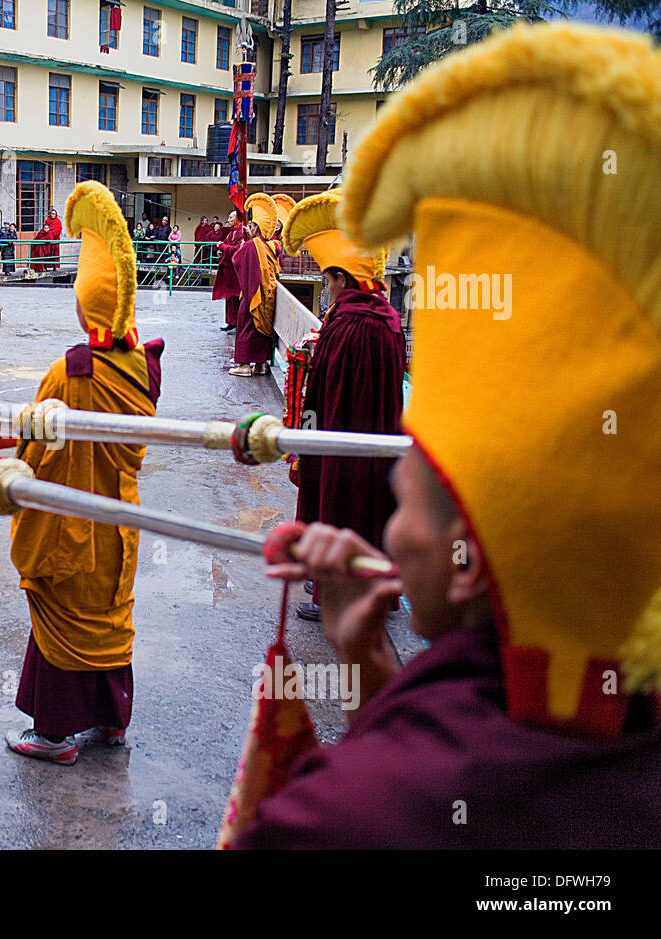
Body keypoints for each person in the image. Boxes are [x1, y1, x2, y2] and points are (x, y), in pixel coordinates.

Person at [232, 22, 661, 850]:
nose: (390, 529)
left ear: (469, 551)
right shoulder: (593, 690)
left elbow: (402, 786)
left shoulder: (357, 815)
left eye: (412, 496)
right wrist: (368, 663)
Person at [6, 181, 165, 766]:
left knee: (64, 613)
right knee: (110, 615)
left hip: (70, 519)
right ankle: (111, 724)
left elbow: (34, 449)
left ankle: (53, 735)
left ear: (86, 305)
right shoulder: (144, 368)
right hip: (120, 520)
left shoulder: (69, 373)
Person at [281, 190, 404, 622]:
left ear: (344, 279)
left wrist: (317, 445)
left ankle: (335, 594)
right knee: (374, 508)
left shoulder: (353, 325)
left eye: (329, 280)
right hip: (377, 442)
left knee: (344, 504)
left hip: (343, 442)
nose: (326, 289)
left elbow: (333, 394)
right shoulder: (385, 319)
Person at [226, 194, 280, 376]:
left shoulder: (254, 245)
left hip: (252, 293)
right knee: (259, 330)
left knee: (246, 326)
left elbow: (237, 260)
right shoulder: (269, 245)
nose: (248, 228)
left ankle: (244, 366)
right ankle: (260, 364)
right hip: (266, 293)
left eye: (251, 225)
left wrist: (247, 242)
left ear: (256, 228)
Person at [211, 209, 246, 331]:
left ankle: (238, 323)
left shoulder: (242, 233)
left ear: (237, 219)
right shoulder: (231, 233)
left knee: (236, 297)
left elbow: (237, 250)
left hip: (236, 271)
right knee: (229, 297)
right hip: (228, 270)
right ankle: (231, 322)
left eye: (231, 218)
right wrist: (221, 250)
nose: (229, 220)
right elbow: (226, 245)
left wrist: (222, 246)